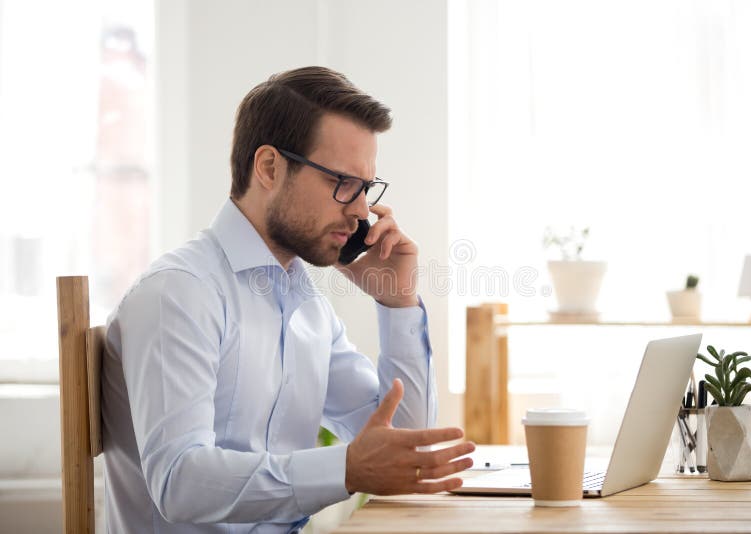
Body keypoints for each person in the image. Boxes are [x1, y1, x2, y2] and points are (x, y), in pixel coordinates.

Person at [101, 66, 475, 533]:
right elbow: (180, 482)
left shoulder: (305, 304)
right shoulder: (180, 293)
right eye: (343, 182)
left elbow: (404, 443)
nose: (361, 210)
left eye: (365, 188)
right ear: (270, 168)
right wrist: (346, 469)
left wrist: (396, 302)